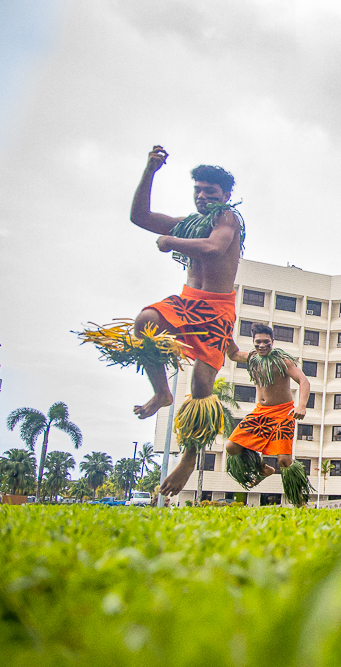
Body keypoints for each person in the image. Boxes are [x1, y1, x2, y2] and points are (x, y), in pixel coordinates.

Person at [80, 146, 245, 496]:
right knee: (145, 322)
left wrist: (171, 241)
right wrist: (150, 170)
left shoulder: (228, 218)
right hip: (187, 302)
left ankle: (188, 458)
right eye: (197, 190)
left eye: (210, 192)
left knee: (202, 385)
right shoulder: (189, 222)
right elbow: (139, 216)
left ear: (226, 195)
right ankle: (162, 392)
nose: (202, 197)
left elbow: (215, 248)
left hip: (216, 309)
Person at [223, 324, 314, 507]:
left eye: (266, 342)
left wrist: (302, 406)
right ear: (253, 342)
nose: (262, 346)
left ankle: (299, 503)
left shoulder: (282, 361)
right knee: (231, 446)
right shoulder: (251, 358)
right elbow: (233, 354)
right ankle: (263, 468)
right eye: (258, 342)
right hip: (261, 413)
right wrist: (224, 332)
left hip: (283, 413)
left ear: (273, 342)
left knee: (285, 460)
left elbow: (303, 380)